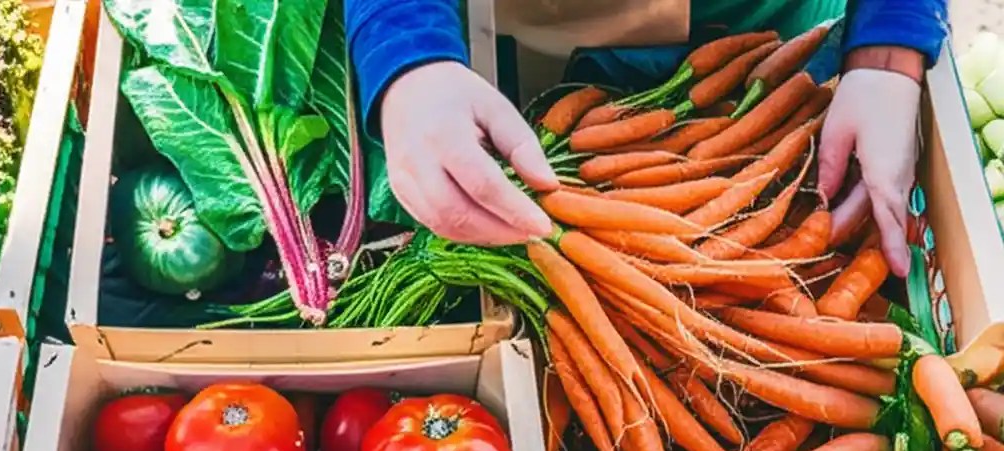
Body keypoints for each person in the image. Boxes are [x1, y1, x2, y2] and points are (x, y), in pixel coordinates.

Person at [346, 0, 950, 277]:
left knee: (794, 194)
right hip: (532, 52)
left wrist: (887, 48)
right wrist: (408, 58)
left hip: (773, 54)